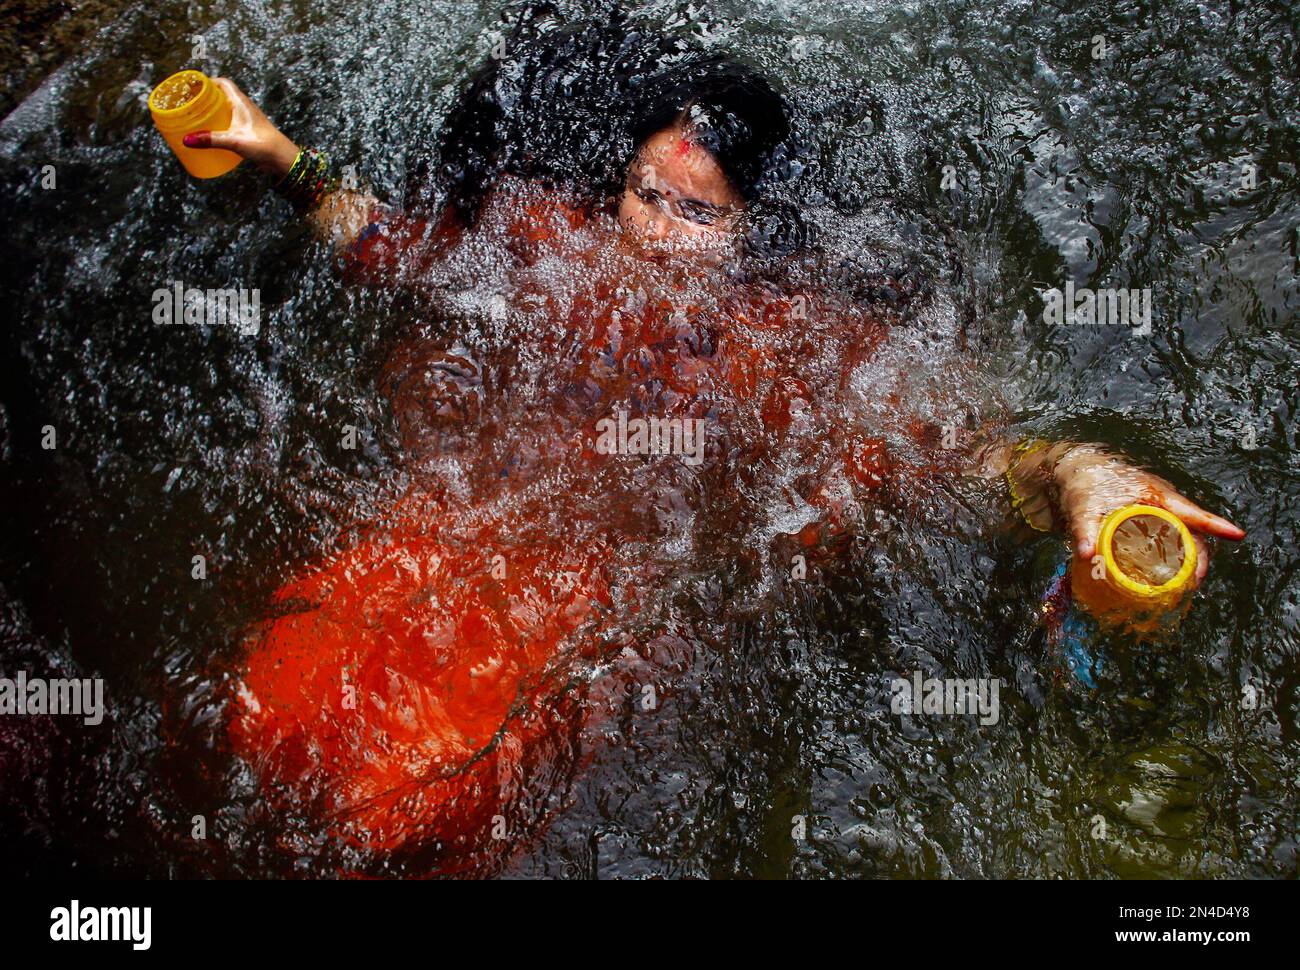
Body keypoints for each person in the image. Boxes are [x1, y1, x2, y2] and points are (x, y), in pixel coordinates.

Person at [185, 9, 1243, 862]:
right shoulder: (562, 243)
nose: (649, 228)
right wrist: (274, 151)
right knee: (252, 723)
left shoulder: (783, 348)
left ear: (756, 230)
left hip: (578, 619)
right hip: (441, 534)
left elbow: (949, 457)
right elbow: (400, 250)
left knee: (395, 816)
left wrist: (1082, 473)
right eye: (643, 192)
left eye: (693, 214)